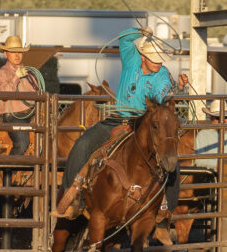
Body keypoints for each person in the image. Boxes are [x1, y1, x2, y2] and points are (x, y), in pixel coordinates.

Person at [56, 26, 189, 219]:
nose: (159, 62)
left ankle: (164, 214)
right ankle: (72, 198)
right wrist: (140, 31)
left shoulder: (162, 76)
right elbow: (124, 39)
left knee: (170, 160)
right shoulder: (131, 60)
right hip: (117, 119)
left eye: (160, 59)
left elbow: (158, 95)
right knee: (82, 144)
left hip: (143, 125)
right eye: (154, 58)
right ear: (143, 56)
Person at [0, 35, 37, 156]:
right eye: (13, 52)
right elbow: (2, 94)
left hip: (32, 113)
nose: (17, 55)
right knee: (22, 144)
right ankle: (8, 172)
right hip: (13, 116)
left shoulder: (31, 73)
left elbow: (38, 92)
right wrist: (16, 77)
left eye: (20, 52)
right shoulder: (1, 74)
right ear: (6, 54)